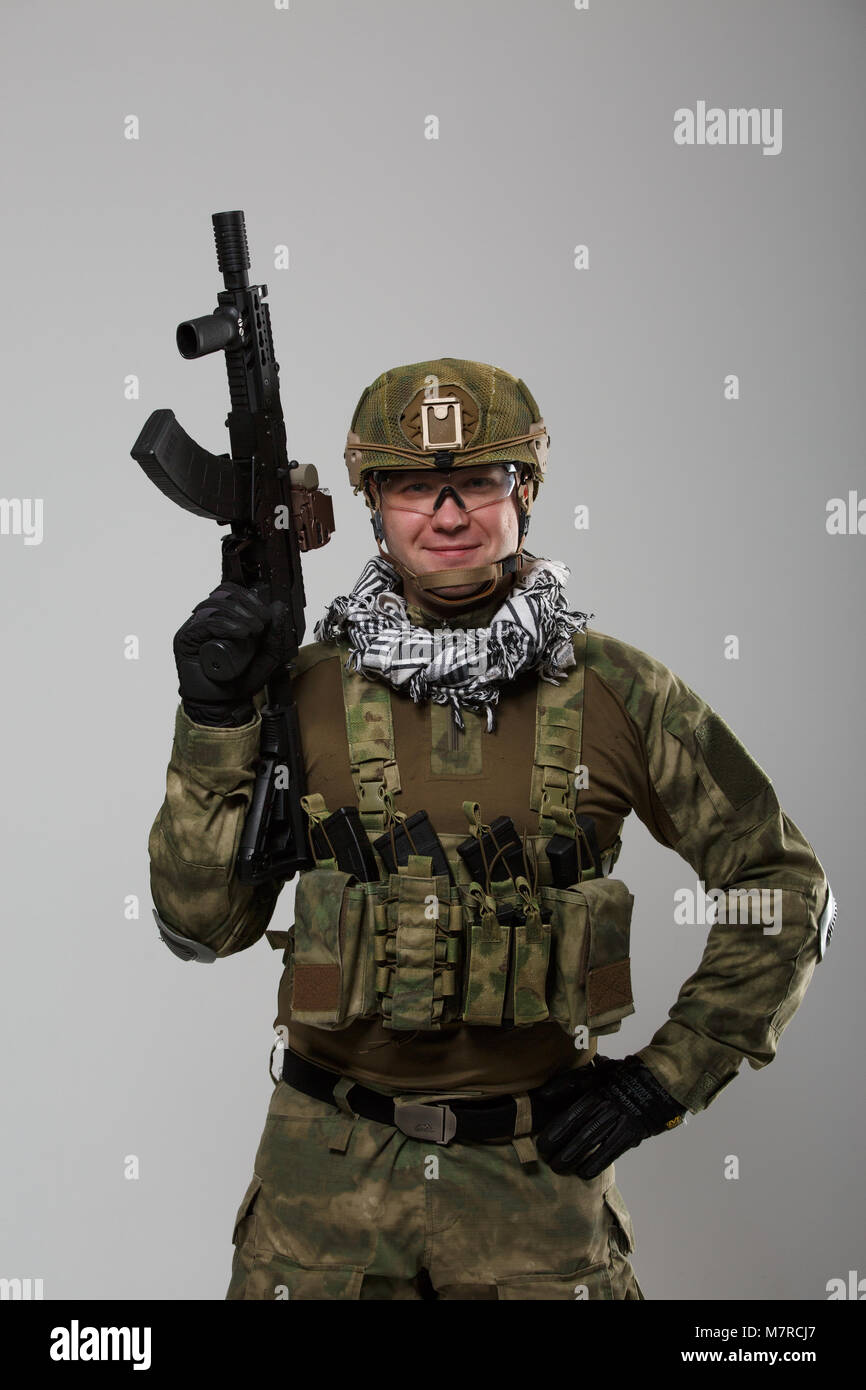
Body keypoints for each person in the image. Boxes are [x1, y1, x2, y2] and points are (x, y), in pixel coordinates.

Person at [148, 358, 835, 1301]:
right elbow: (200, 925)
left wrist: (662, 1083)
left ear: (525, 493)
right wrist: (212, 719)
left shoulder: (618, 690)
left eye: (479, 479)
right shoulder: (296, 690)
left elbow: (783, 884)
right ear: (373, 504)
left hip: (533, 1179)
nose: (449, 511)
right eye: (412, 486)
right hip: (326, 1180)